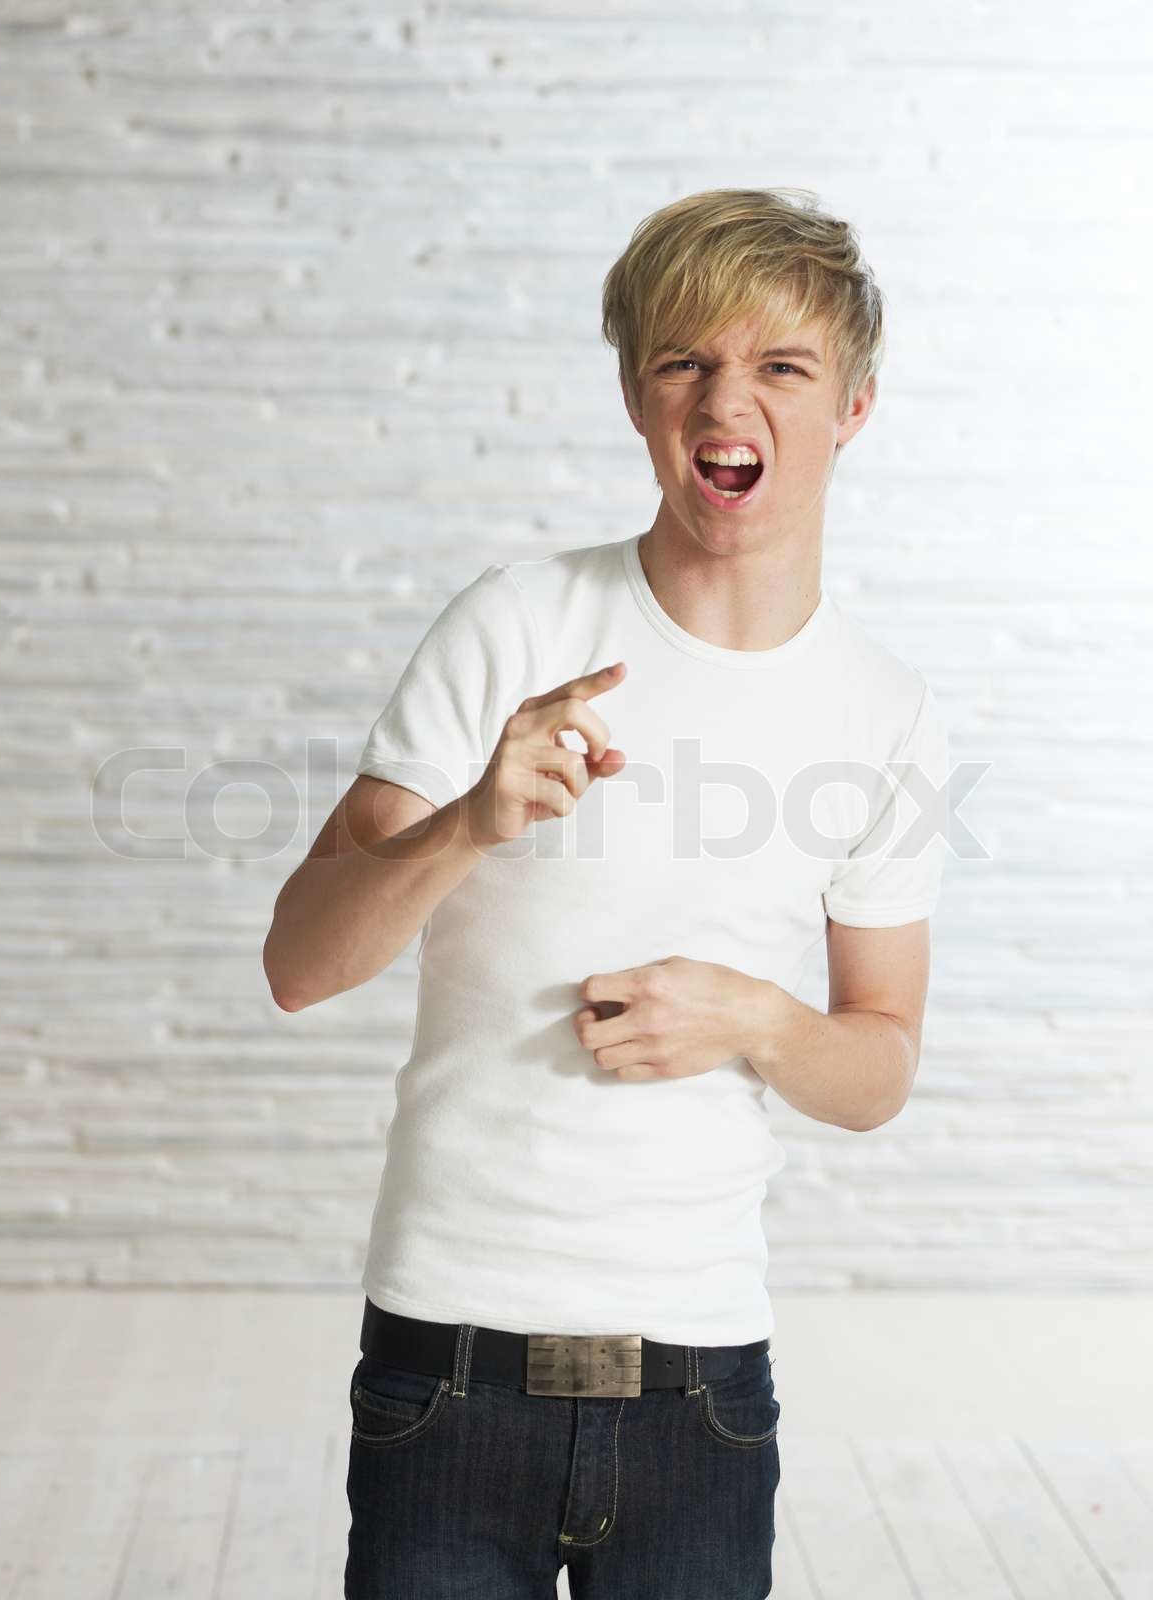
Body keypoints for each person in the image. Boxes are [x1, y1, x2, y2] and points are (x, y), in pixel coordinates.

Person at [263, 186, 951, 1600]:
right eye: (683, 361)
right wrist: (470, 820)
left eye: (780, 366)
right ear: (639, 397)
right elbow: (299, 962)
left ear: (856, 407)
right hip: (443, 1384)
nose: (726, 401)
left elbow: (877, 1067)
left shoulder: (885, 713)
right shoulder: (515, 626)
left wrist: (756, 1019)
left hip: (702, 1397)